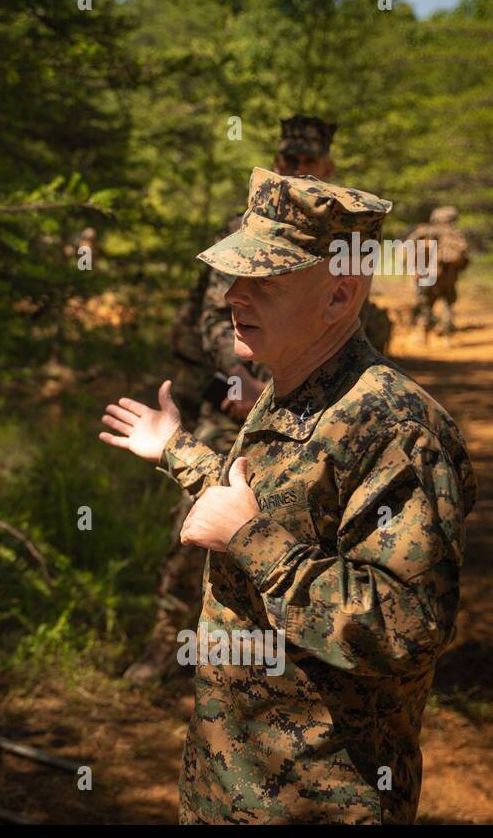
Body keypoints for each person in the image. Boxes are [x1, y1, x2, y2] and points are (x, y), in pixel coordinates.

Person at [101, 168, 477, 822]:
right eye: (234, 278)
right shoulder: (292, 388)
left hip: (319, 803)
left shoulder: (397, 429)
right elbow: (257, 497)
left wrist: (251, 541)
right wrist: (175, 448)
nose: (233, 298)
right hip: (231, 785)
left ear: (339, 295)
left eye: (263, 282)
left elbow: (409, 626)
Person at [127, 115, 393, 684]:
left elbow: (400, 629)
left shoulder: (341, 237)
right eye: (285, 159)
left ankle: (276, 661)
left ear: (325, 165)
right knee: (197, 520)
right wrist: (235, 387)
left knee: (303, 523)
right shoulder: (249, 229)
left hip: (317, 397)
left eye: (303, 162)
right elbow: (216, 318)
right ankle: (177, 641)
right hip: (242, 395)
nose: (292, 168)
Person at [406, 205, 470, 342]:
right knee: (447, 306)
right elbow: (463, 258)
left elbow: (407, 249)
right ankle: (447, 339)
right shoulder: (455, 234)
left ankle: (423, 337)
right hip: (449, 278)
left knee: (426, 305)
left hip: (428, 276)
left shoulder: (424, 231)